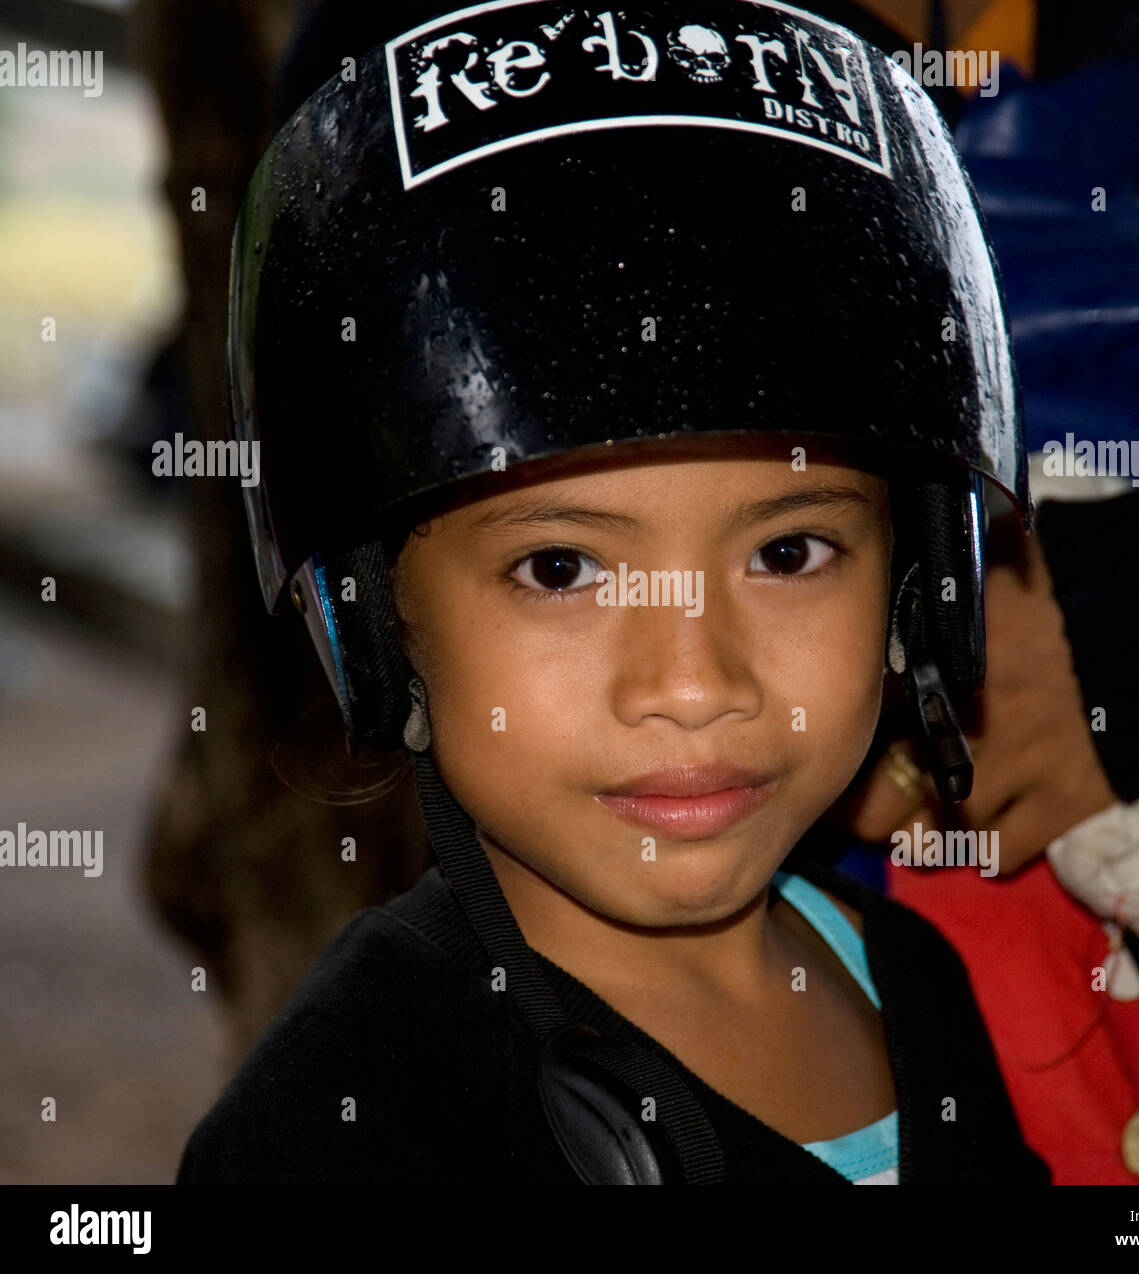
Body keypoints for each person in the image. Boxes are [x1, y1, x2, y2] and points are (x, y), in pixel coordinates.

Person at [175, 0, 1049, 1184]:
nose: (693, 683)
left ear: (922, 586)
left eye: (787, 553)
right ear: (374, 629)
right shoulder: (342, 1126)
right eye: (560, 568)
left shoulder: (916, 979)